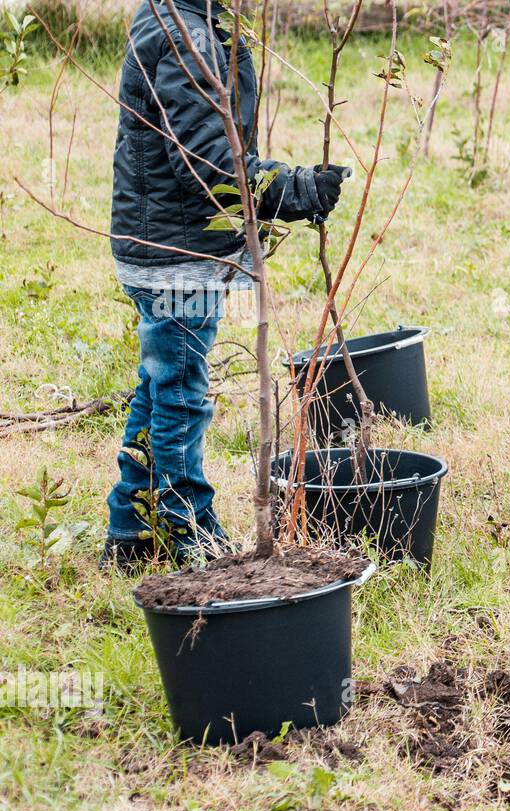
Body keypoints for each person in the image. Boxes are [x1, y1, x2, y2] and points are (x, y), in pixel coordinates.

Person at [103, 0, 347, 569]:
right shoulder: (186, 35)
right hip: (176, 254)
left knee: (163, 386)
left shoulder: (183, 20)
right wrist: (292, 190)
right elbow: (208, 163)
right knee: (181, 395)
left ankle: (131, 529)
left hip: (169, 243)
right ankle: (190, 529)